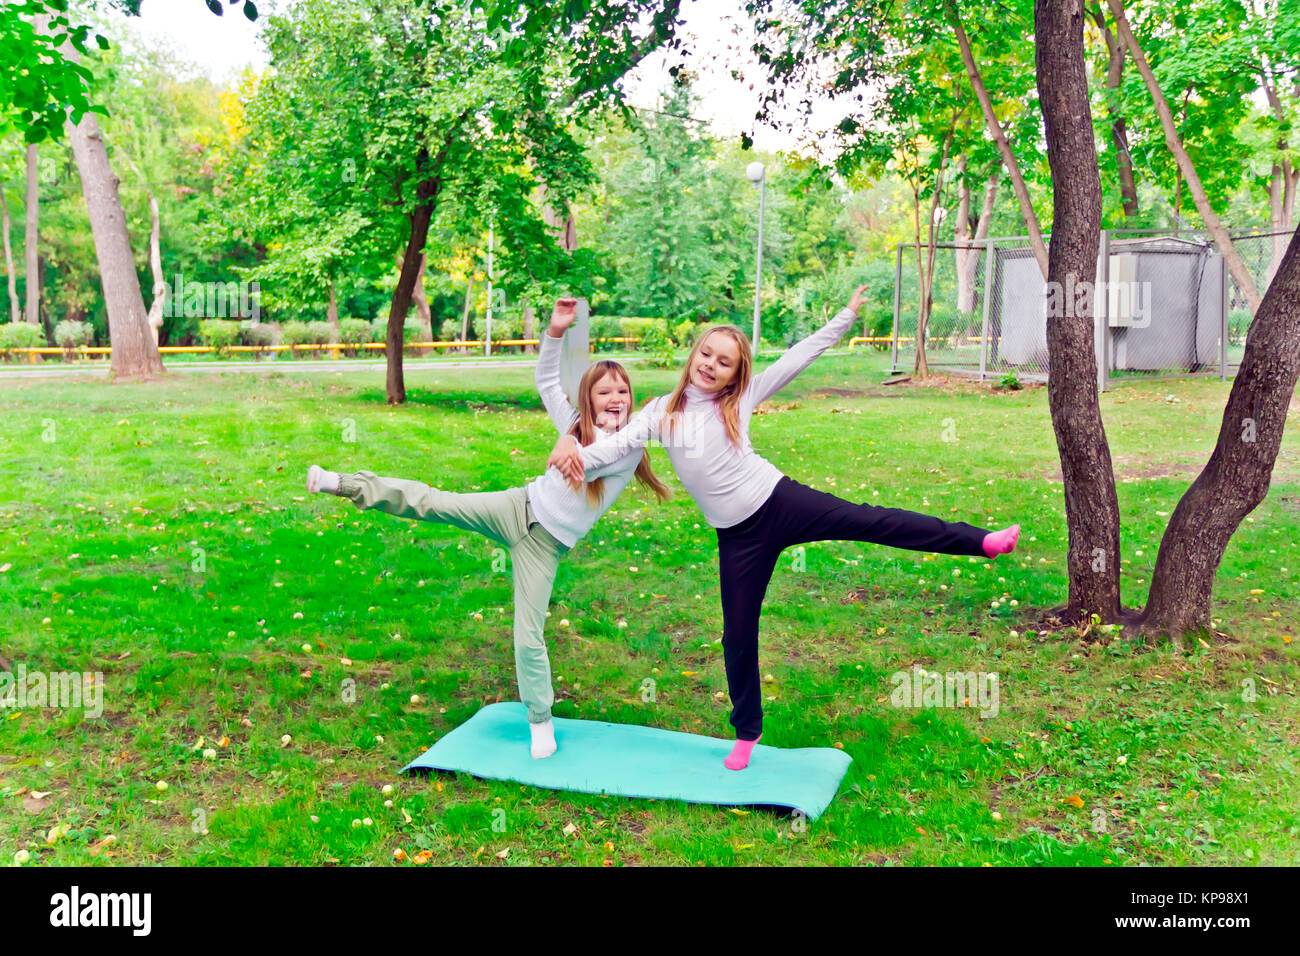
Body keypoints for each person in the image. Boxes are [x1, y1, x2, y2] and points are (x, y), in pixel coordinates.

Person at [547, 285, 1020, 769]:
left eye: (724, 361)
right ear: (694, 356)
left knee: (870, 520)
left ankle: (979, 540)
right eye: (706, 353)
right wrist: (576, 453)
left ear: (736, 374)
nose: (710, 364)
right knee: (737, 634)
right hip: (737, 538)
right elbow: (615, 444)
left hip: (779, 501)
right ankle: (747, 731)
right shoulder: (660, 412)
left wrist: (845, 316)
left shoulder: (739, 399)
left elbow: (799, 356)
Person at [307, 298, 670, 759]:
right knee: (436, 502)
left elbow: (596, 464)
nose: (615, 398)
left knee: (528, 634)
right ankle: (345, 484)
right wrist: (555, 332)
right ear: (588, 399)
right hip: (517, 506)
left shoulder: (629, 447)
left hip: (545, 547)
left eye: (622, 391)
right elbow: (544, 380)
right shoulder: (576, 424)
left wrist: (570, 444)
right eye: (604, 392)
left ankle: (541, 721)